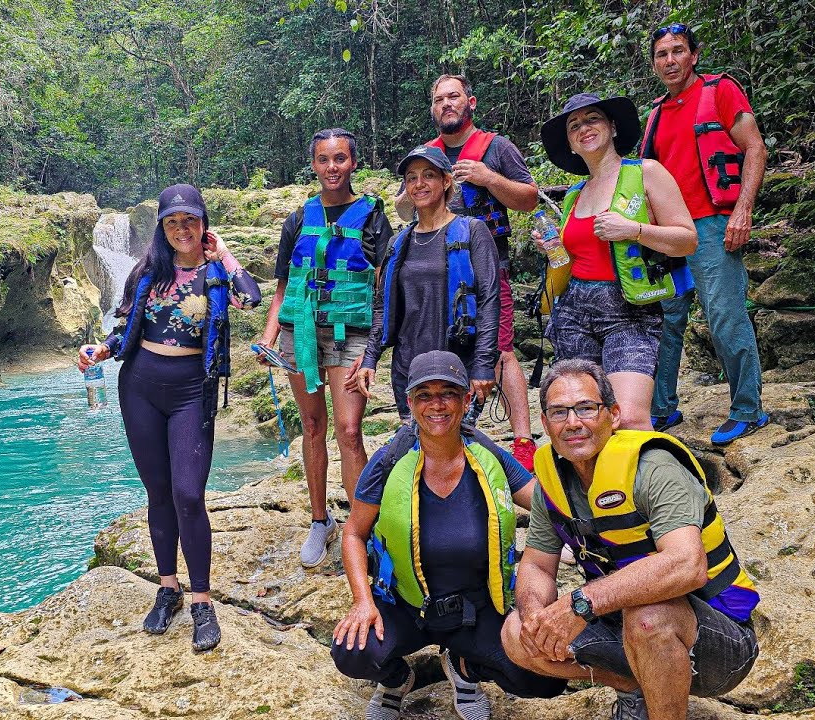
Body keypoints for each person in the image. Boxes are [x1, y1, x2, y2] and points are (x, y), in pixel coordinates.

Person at [501, 359, 760, 720]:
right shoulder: (553, 484)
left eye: (586, 408)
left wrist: (580, 603)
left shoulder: (654, 468)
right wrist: (535, 620)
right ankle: (634, 687)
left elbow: (688, 565)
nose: (573, 423)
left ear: (614, 415)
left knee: (649, 615)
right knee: (516, 633)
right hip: (622, 621)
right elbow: (536, 565)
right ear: (544, 424)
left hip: (720, 640)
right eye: (559, 412)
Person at [332, 351, 566, 720]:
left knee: (543, 680)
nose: (436, 405)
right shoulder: (389, 461)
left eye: (448, 393)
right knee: (352, 650)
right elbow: (353, 533)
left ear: (466, 399)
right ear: (410, 403)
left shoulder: (486, 456)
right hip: (408, 607)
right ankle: (396, 680)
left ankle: (464, 668)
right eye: (424, 395)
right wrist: (363, 601)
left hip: (477, 611)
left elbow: (546, 505)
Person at [78, 184, 261, 652]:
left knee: (188, 493)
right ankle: (167, 588)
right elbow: (125, 330)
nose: (182, 229)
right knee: (158, 492)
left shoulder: (215, 275)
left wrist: (224, 254)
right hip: (139, 386)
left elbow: (252, 298)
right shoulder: (146, 273)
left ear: (203, 224)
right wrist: (100, 349)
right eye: (173, 222)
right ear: (162, 227)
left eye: (191, 221)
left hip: (189, 392)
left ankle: (202, 599)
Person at [258, 128, 394, 567]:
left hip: (351, 332)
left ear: (353, 163)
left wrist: (378, 343)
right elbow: (284, 285)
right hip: (302, 334)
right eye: (323, 159)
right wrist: (268, 335)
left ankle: (361, 527)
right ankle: (321, 521)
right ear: (313, 165)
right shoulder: (298, 218)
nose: (332, 167)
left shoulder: (373, 216)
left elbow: (385, 284)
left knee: (350, 431)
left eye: (339, 158)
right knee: (313, 427)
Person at [397, 74, 542, 470]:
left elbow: (529, 198)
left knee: (502, 349)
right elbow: (404, 210)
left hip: (491, 266)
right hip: (436, 275)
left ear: (471, 102)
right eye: (439, 99)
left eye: (454, 97)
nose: (447, 104)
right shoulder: (427, 155)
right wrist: (419, 189)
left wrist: (487, 177)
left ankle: (523, 441)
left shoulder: (497, 148)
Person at [537, 93, 697, 430]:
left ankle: (643, 483)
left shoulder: (646, 173)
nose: (584, 128)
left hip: (630, 311)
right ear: (570, 143)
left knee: (630, 418)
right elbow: (570, 260)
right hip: (574, 313)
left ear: (611, 126)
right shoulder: (573, 194)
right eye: (574, 126)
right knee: (582, 420)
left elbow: (687, 240)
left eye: (592, 119)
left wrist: (634, 229)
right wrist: (552, 247)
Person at [642, 24, 771, 445]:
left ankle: (748, 409)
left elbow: (755, 147)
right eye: (662, 54)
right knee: (665, 320)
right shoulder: (657, 114)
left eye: (678, 51)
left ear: (694, 55)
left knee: (724, 316)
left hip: (714, 224)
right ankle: (661, 409)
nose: (670, 61)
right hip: (668, 233)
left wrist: (743, 211)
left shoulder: (720, 92)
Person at [350, 145, 500, 424]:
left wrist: (483, 363)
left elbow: (489, 300)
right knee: (417, 451)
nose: (419, 184)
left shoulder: (472, 232)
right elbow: (382, 306)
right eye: (411, 178)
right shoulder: (399, 243)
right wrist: (370, 358)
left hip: (457, 366)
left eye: (428, 175)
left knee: (456, 449)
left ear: (445, 181)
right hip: (409, 368)